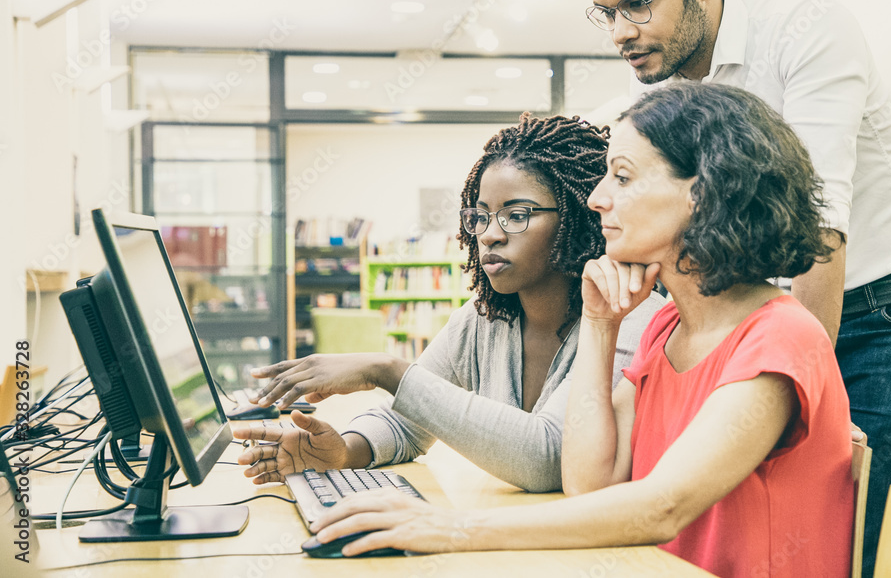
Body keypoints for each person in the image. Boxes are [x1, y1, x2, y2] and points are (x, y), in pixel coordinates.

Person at [304, 84, 855, 577]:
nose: (596, 199)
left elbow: (663, 505)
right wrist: (598, 322)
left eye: (622, 176)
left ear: (704, 193)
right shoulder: (668, 326)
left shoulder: (780, 336)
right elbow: (588, 481)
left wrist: (451, 529)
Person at [585, 0, 891, 574]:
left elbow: (819, 231)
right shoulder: (658, 71)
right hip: (776, 316)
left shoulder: (805, 27)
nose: (622, 31)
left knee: (868, 541)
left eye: (639, 4)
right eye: (607, 12)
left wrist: (817, 397)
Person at [233, 113, 664, 492]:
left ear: (578, 218)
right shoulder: (484, 319)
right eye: (479, 216)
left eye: (517, 215)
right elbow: (407, 421)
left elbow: (549, 457)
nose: (489, 234)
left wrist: (387, 370)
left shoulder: (629, 317)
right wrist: (343, 452)